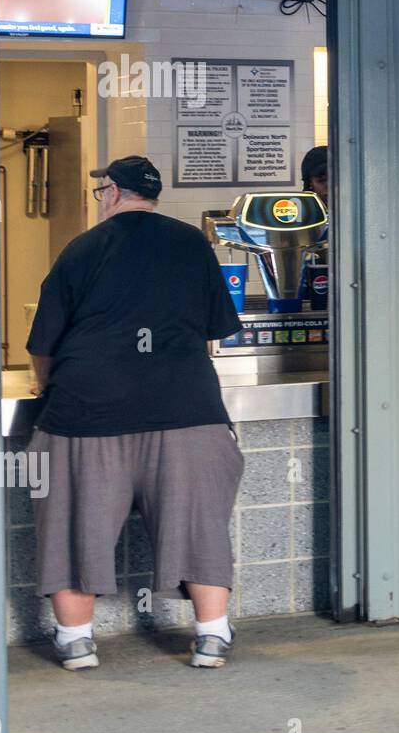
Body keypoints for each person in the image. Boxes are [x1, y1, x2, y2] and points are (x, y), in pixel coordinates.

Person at [26, 156, 245, 670]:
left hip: (86, 409)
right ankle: (211, 637)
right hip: (187, 407)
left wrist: (47, 381)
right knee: (199, 521)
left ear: (110, 193)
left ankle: (76, 640)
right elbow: (216, 331)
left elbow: (44, 342)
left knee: (73, 518)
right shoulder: (193, 243)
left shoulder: (80, 249)